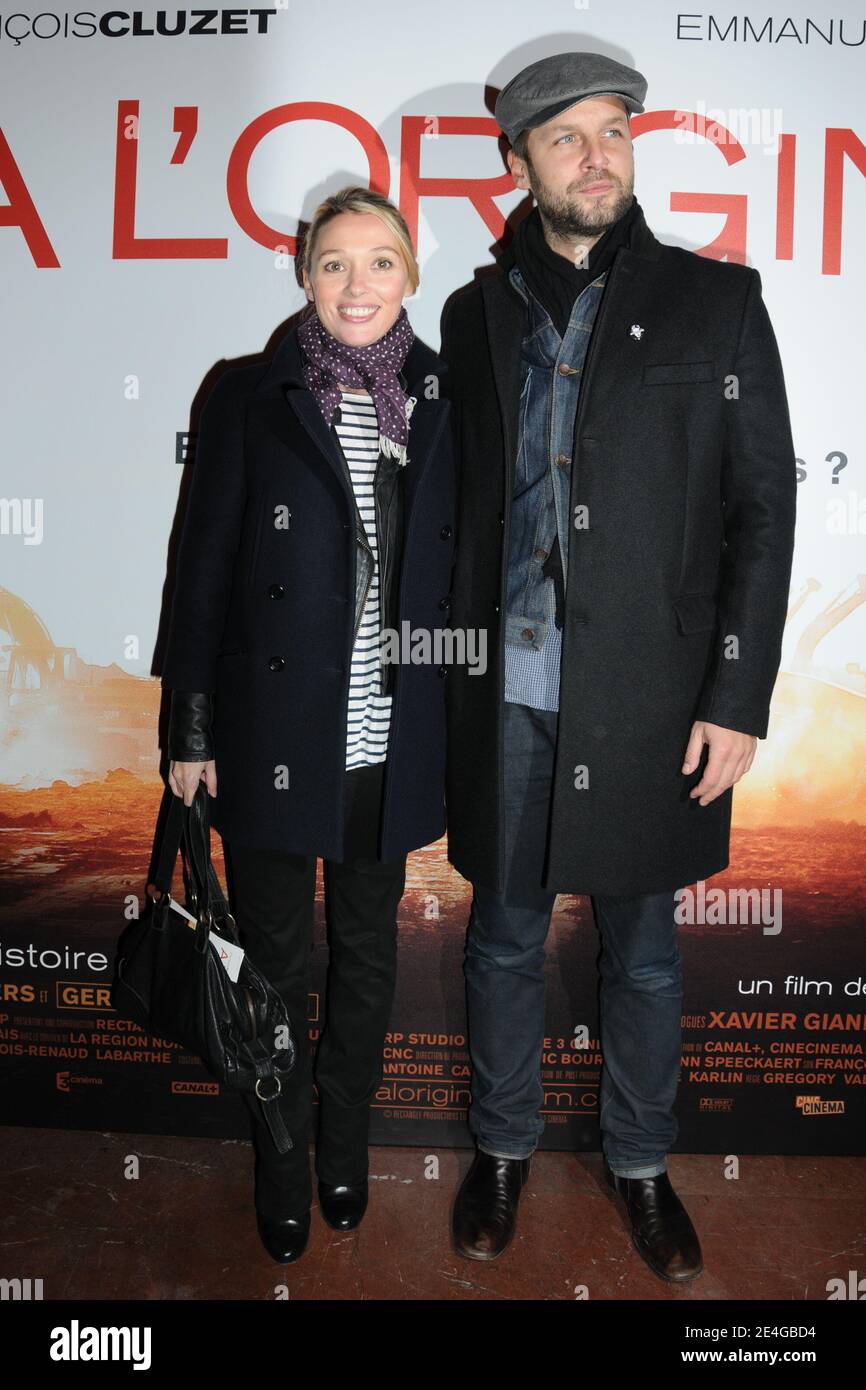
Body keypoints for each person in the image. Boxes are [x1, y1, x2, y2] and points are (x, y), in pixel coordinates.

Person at [440, 52, 796, 1281]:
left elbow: (761, 509)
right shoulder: (471, 315)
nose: (597, 155)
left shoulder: (719, 301)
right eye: (565, 139)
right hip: (512, 692)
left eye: (612, 132)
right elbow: (460, 513)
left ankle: (640, 1166)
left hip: (654, 700)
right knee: (500, 938)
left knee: (642, 950)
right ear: (518, 164)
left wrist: (735, 697)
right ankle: (501, 1152)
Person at [160, 187, 457, 1264]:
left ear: (409, 276)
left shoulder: (443, 395)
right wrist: (189, 727)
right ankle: (282, 1153)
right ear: (302, 274)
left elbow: (459, 579)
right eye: (333, 262)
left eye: (379, 262)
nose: (356, 284)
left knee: (367, 957)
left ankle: (346, 1141)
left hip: (389, 737)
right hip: (275, 730)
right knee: (278, 965)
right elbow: (197, 573)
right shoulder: (248, 394)